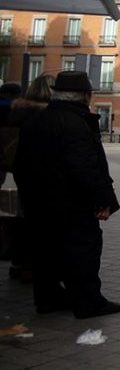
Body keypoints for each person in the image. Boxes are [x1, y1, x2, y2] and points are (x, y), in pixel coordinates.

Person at [14, 71, 120, 318]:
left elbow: (21, 165)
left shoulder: (35, 121)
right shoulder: (77, 123)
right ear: (85, 96)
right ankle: (89, 304)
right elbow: (86, 167)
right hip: (73, 205)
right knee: (84, 252)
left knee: (46, 253)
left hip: (38, 204)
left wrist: (29, 198)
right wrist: (103, 201)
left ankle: (48, 299)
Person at [3, 74, 54, 280]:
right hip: (42, 175)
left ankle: (20, 262)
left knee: (23, 217)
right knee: (41, 223)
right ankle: (35, 267)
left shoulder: (16, 113)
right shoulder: (46, 117)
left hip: (18, 171)